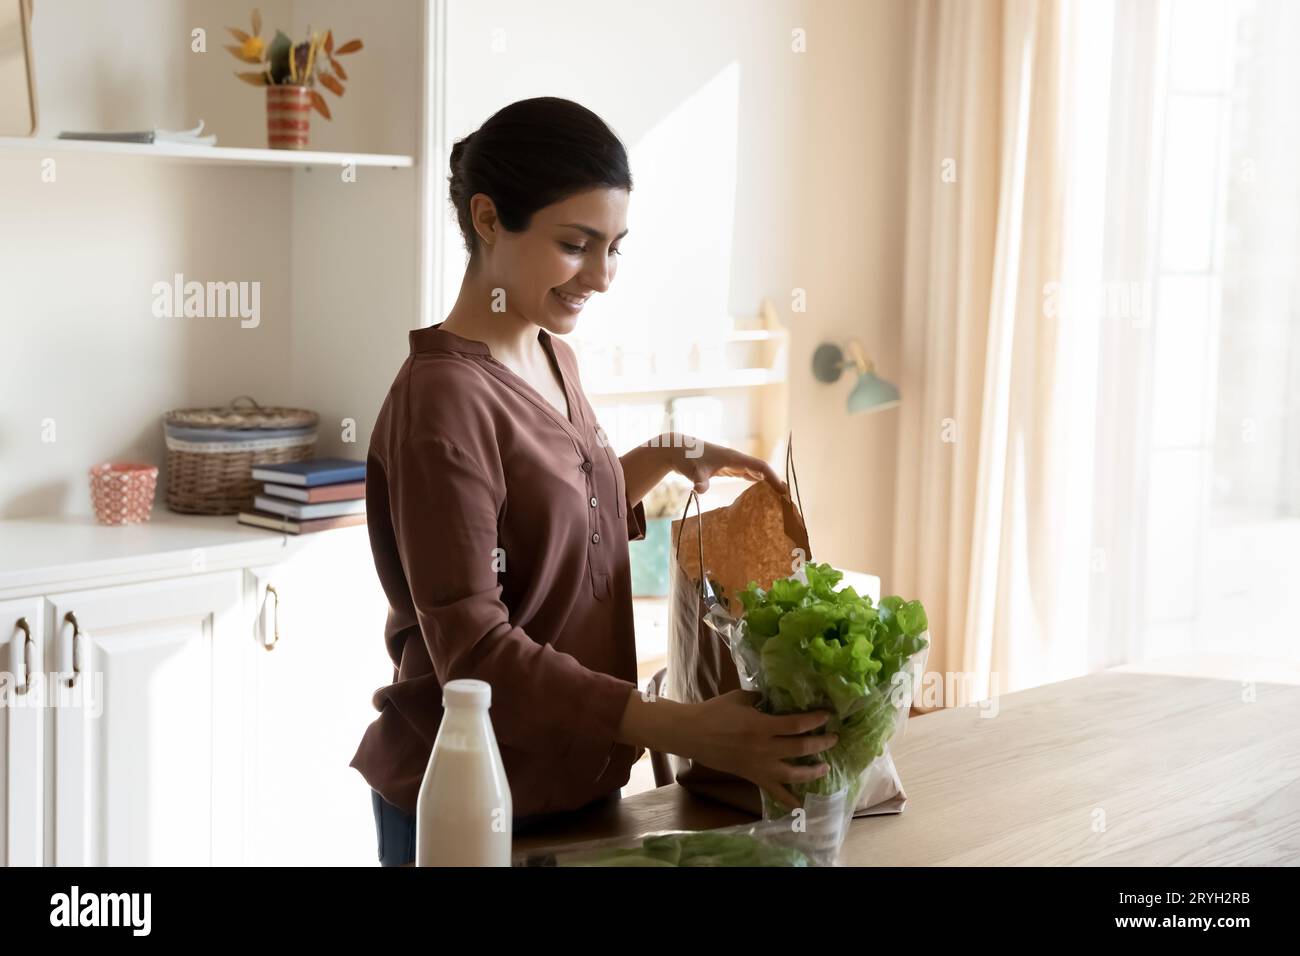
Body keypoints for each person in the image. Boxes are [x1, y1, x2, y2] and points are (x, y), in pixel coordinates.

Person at [350, 96, 836, 866]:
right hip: (471, 799)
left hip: (577, 781)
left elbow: (561, 512)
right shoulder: (441, 400)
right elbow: (474, 650)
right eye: (576, 244)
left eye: (615, 247)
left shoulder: (552, 354)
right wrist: (681, 725)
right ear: (486, 219)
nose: (602, 277)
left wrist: (668, 455)